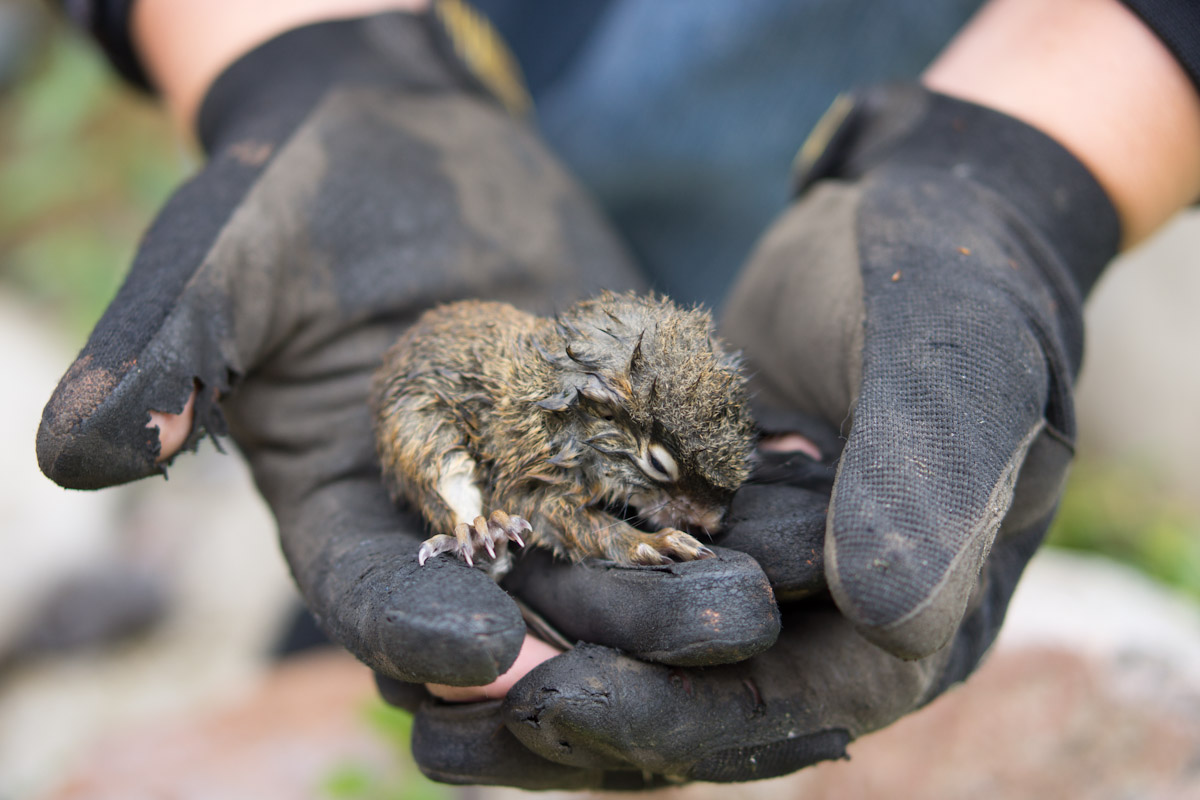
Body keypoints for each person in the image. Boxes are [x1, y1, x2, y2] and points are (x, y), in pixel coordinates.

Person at [39, 0, 1200, 788]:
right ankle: (432, 604)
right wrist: (295, 48)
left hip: (811, 110)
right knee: (447, 579)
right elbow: (563, 498)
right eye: (664, 483)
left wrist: (1028, 153)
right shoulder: (550, 437)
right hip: (472, 140)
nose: (686, 508)